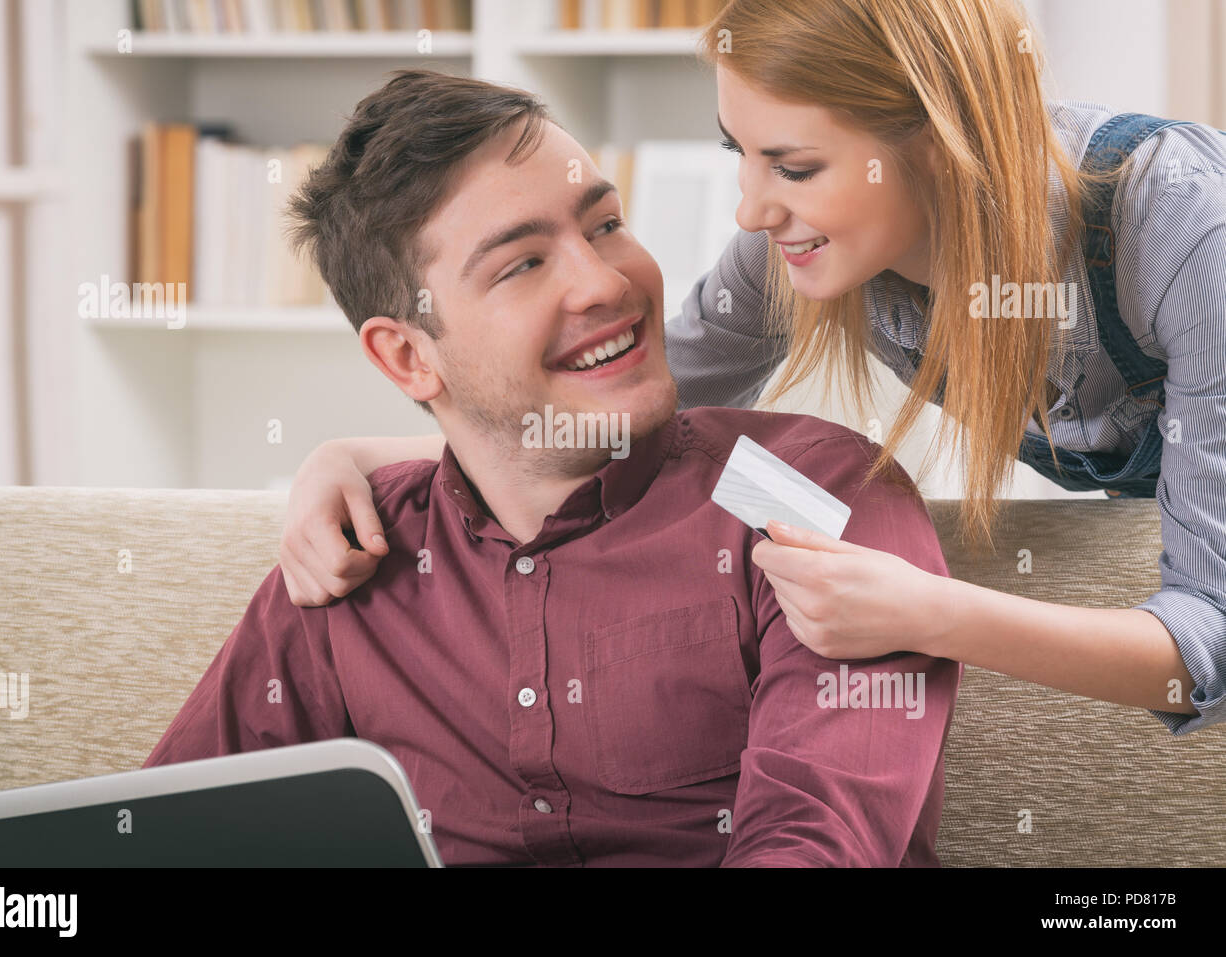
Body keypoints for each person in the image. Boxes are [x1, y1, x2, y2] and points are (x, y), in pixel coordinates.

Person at [280, 0, 1226, 735]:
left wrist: (929, 613)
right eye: (740, 155)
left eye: (794, 164)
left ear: (939, 147)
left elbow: (1201, 647)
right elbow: (613, 403)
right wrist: (365, 458)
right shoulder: (800, 243)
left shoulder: (1180, 229)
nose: (751, 210)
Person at [145, 69, 961, 866]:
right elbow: (154, 835)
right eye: (523, 264)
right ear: (406, 357)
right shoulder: (352, 554)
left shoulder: (802, 496)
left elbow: (814, 847)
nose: (606, 281)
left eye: (606, 225)